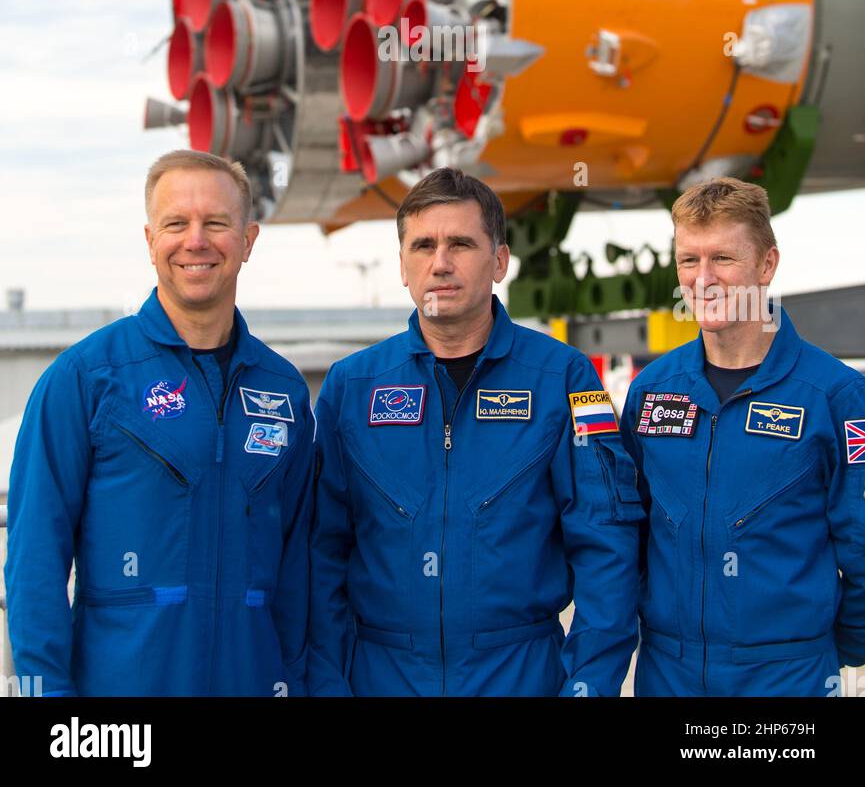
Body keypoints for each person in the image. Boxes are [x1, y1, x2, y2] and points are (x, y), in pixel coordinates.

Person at [308, 167, 641, 697]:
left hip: (521, 676)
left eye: (461, 243)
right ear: (402, 266)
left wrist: (590, 684)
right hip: (381, 678)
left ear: (501, 261)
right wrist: (328, 685)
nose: (440, 263)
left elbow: (607, 544)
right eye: (423, 246)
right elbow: (320, 555)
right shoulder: (351, 387)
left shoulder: (567, 378)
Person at [5, 149, 314, 697]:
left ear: (248, 240)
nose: (196, 240)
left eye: (216, 222)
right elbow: (34, 564)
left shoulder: (283, 389)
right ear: (151, 240)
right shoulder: (86, 379)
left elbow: (297, 572)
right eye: (177, 223)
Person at [620, 176, 865, 697]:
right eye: (689, 260)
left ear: (767, 264)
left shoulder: (836, 395)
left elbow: (861, 539)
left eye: (723, 259)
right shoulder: (651, 392)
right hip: (669, 671)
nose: (703, 279)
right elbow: (627, 530)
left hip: (786, 675)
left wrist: (840, 645)